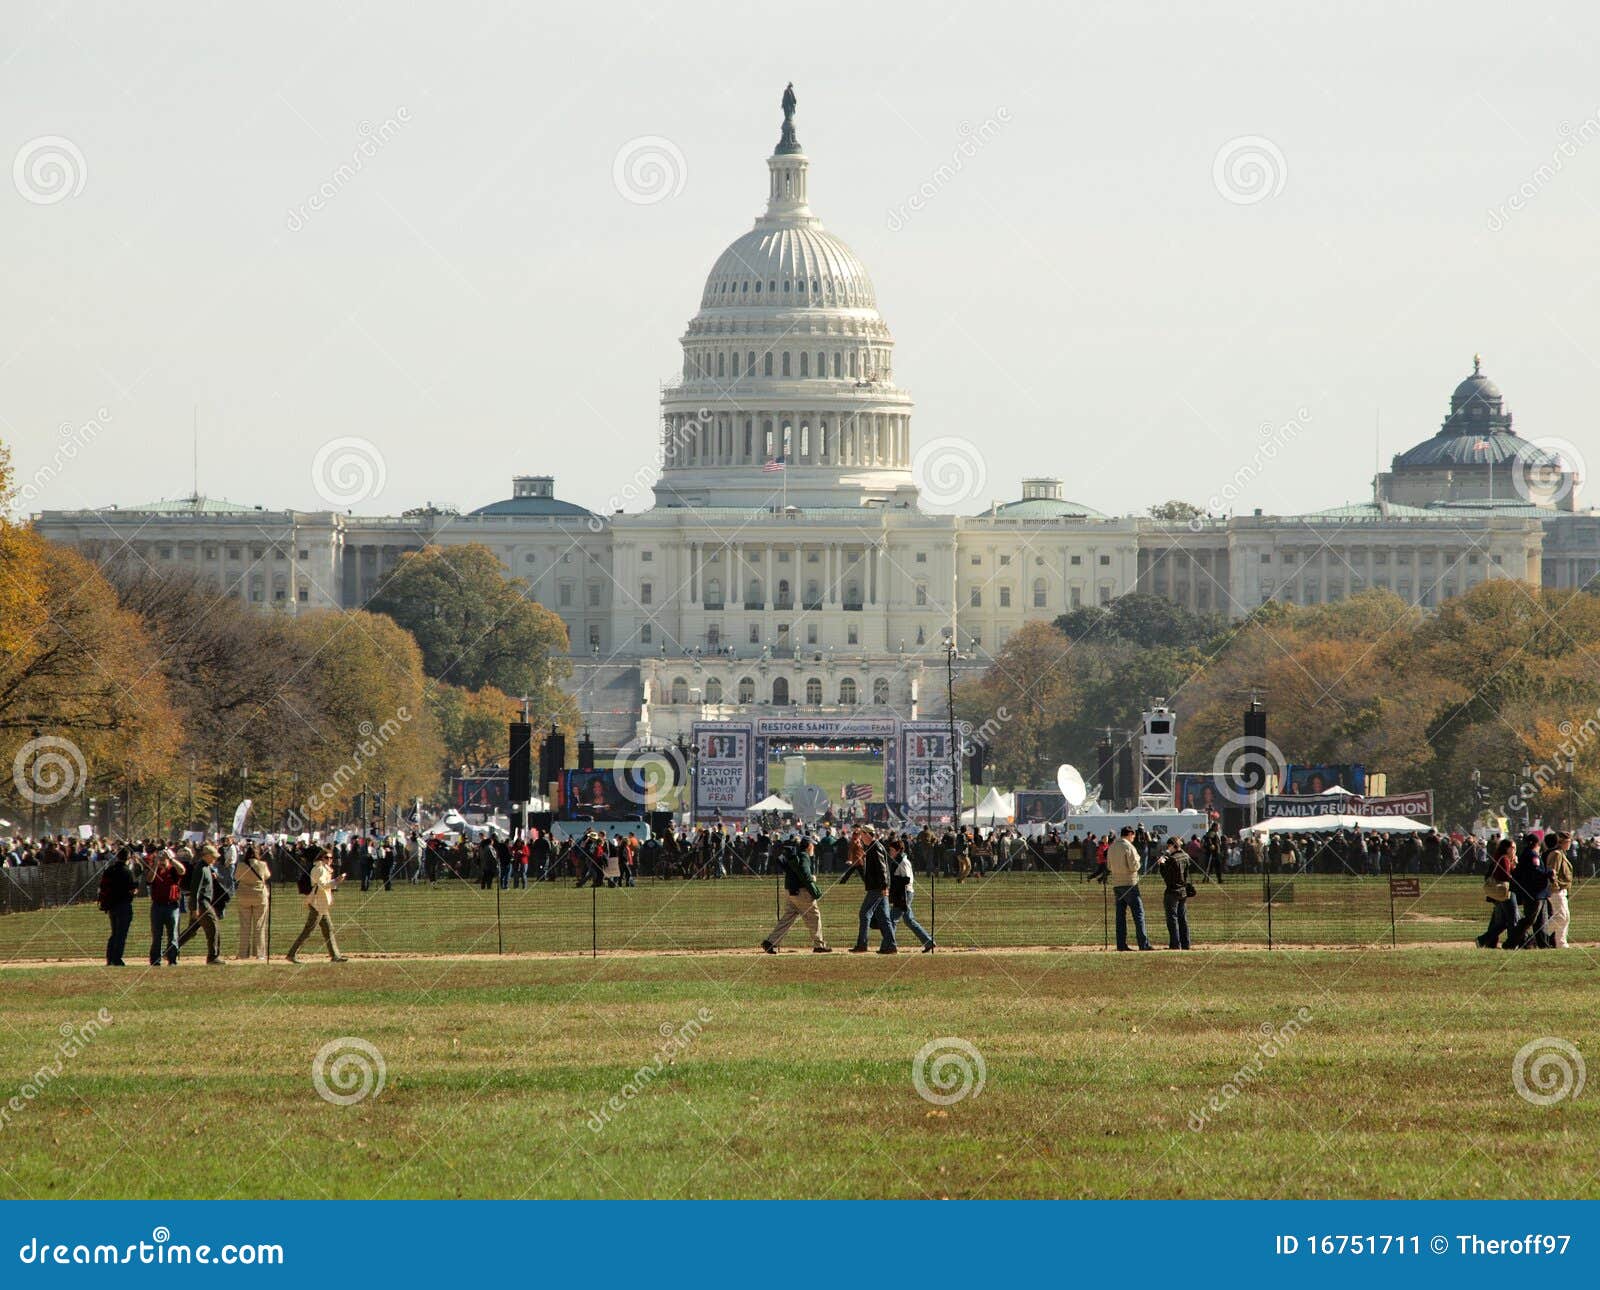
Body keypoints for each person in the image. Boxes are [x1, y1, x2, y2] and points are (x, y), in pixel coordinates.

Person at [762, 835, 831, 953]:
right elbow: (805, 873)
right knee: (814, 917)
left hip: (790, 891)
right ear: (809, 846)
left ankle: (770, 942)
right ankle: (819, 945)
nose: (813, 847)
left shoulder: (794, 856)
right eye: (812, 845)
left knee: (788, 918)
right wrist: (812, 878)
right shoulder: (803, 856)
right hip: (801, 892)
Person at [286, 846, 348, 964]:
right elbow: (321, 885)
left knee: (328, 928)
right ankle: (292, 954)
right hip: (317, 904)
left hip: (322, 904)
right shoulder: (319, 869)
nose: (330, 860)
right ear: (321, 858)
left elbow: (326, 885)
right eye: (327, 857)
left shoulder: (324, 869)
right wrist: (336, 881)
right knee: (309, 930)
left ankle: (335, 955)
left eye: (331, 858)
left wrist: (336, 881)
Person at [844, 826, 897, 953]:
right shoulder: (873, 847)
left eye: (861, 833)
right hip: (878, 887)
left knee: (864, 913)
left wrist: (884, 886)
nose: (860, 836)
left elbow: (882, 868)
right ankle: (891, 945)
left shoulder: (875, 847)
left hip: (877, 888)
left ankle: (862, 944)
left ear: (867, 834)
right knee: (884, 917)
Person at [1107, 826, 1153, 951]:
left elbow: (1109, 866)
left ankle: (1121, 944)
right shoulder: (1129, 847)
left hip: (1116, 884)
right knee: (1138, 914)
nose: (1134, 838)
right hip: (1130, 883)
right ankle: (1143, 944)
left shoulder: (1112, 847)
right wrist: (1139, 860)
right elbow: (1134, 867)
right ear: (1130, 834)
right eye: (1133, 835)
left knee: (1120, 916)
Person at [888, 838, 936, 953]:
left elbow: (907, 879)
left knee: (892, 919)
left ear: (897, 850)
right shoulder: (897, 861)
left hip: (905, 893)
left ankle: (890, 945)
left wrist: (896, 885)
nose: (890, 852)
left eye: (891, 850)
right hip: (901, 893)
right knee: (909, 920)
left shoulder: (903, 862)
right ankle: (928, 942)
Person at [144, 847, 186, 967]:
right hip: (157, 906)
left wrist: (171, 858)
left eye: (164, 859)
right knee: (157, 935)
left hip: (172, 906)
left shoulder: (173, 869)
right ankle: (155, 959)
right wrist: (156, 864)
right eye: (160, 858)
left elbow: (182, 870)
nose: (163, 860)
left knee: (173, 934)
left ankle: (172, 959)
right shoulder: (155, 869)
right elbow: (149, 879)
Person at [98, 846, 140, 966]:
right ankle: (117, 958)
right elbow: (133, 890)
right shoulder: (127, 872)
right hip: (124, 905)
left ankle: (110, 958)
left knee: (114, 933)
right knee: (121, 934)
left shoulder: (110, 869)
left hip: (111, 905)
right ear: (128, 858)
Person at [1476, 837, 1518, 949]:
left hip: (1498, 893)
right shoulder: (1504, 859)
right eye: (1512, 847)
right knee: (1512, 918)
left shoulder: (1499, 857)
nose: (1514, 850)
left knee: (1500, 920)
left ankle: (1486, 940)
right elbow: (1505, 876)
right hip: (1504, 891)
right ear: (1506, 848)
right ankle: (1511, 943)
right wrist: (1514, 866)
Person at [233, 842, 271, 961]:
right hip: (259, 895)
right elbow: (267, 876)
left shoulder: (240, 865)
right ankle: (260, 953)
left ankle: (243, 953)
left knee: (245, 926)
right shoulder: (262, 864)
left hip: (244, 895)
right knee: (259, 925)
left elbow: (236, 877)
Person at [1159, 837, 1192, 949]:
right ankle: (1186, 943)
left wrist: (1162, 865)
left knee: (1172, 919)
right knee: (1183, 918)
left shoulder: (1172, 859)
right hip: (1183, 891)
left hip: (1172, 891)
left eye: (1168, 847)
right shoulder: (1186, 856)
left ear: (1172, 846)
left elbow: (1167, 877)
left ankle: (1175, 944)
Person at [1546, 832, 1574, 948]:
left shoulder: (1562, 853)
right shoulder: (1557, 854)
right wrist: (1555, 887)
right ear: (1562, 842)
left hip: (1562, 889)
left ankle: (1561, 943)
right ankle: (1539, 934)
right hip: (1555, 890)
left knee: (1565, 916)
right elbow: (1552, 872)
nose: (1570, 844)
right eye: (1568, 842)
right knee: (1561, 916)